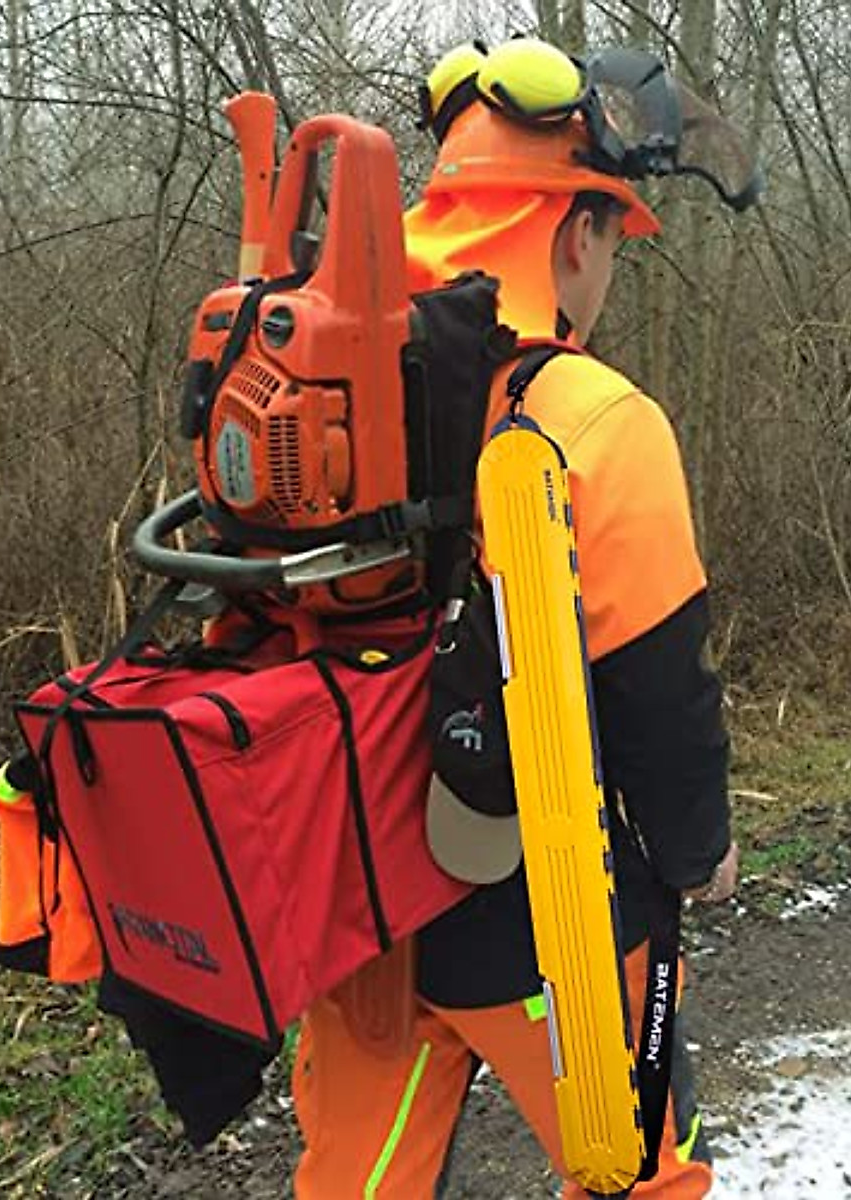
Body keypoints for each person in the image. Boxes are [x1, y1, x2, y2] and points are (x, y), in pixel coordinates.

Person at [290, 37, 739, 1200]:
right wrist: (699, 852)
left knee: (355, 1185)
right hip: (551, 926)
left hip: (356, 913)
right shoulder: (595, 417)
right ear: (576, 233)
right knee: (643, 1175)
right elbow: (661, 688)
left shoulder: (325, 387)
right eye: (613, 242)